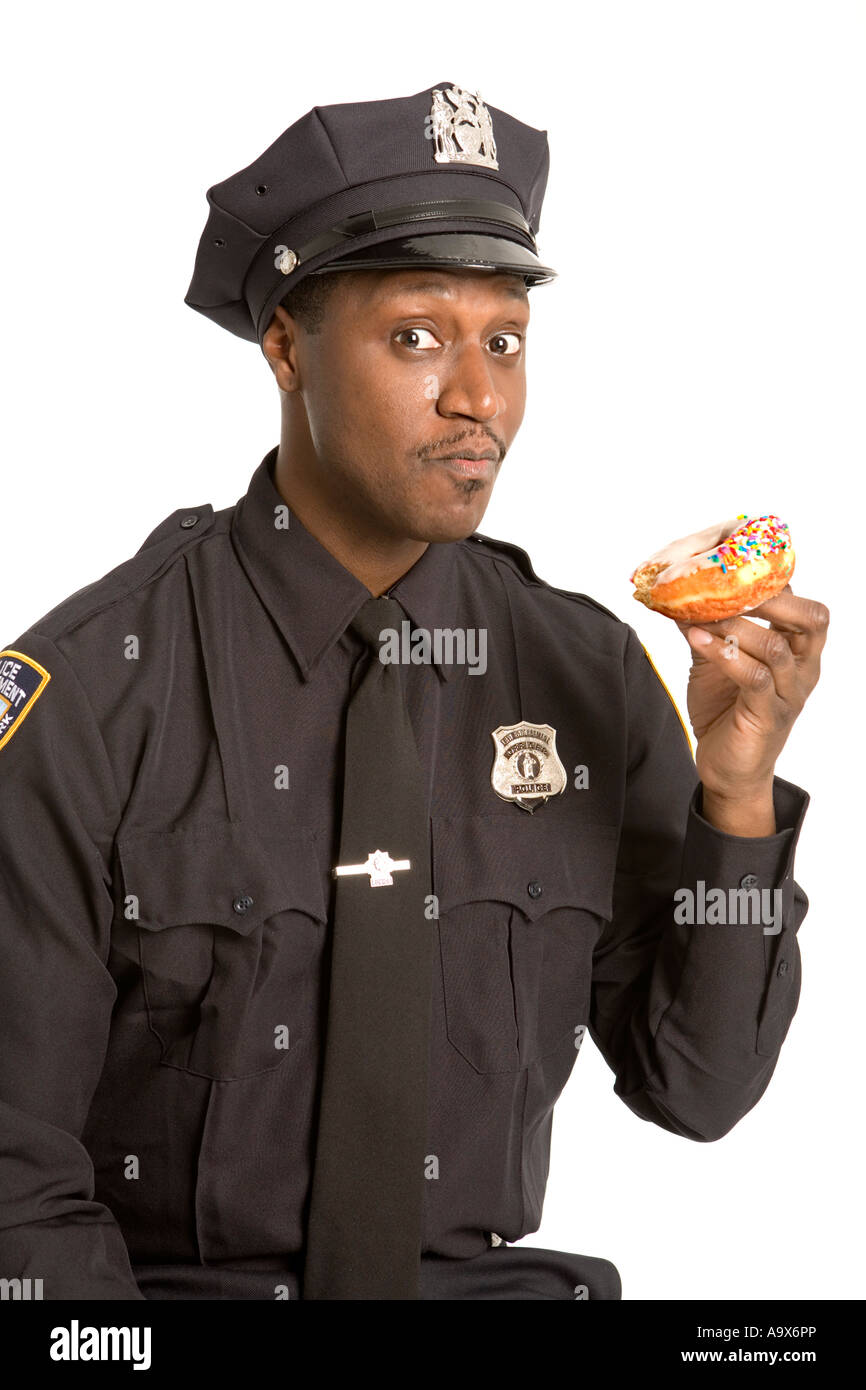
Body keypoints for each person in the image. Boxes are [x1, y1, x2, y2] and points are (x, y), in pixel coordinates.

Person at [0, 82, 827, 1301]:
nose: (476, 398)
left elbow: (696, 1088)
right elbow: (16, 1175)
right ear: (285, 344)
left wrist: (736, 797)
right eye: (415, 336)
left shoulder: (582, 671)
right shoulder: (92, 688)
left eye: (503, 340)